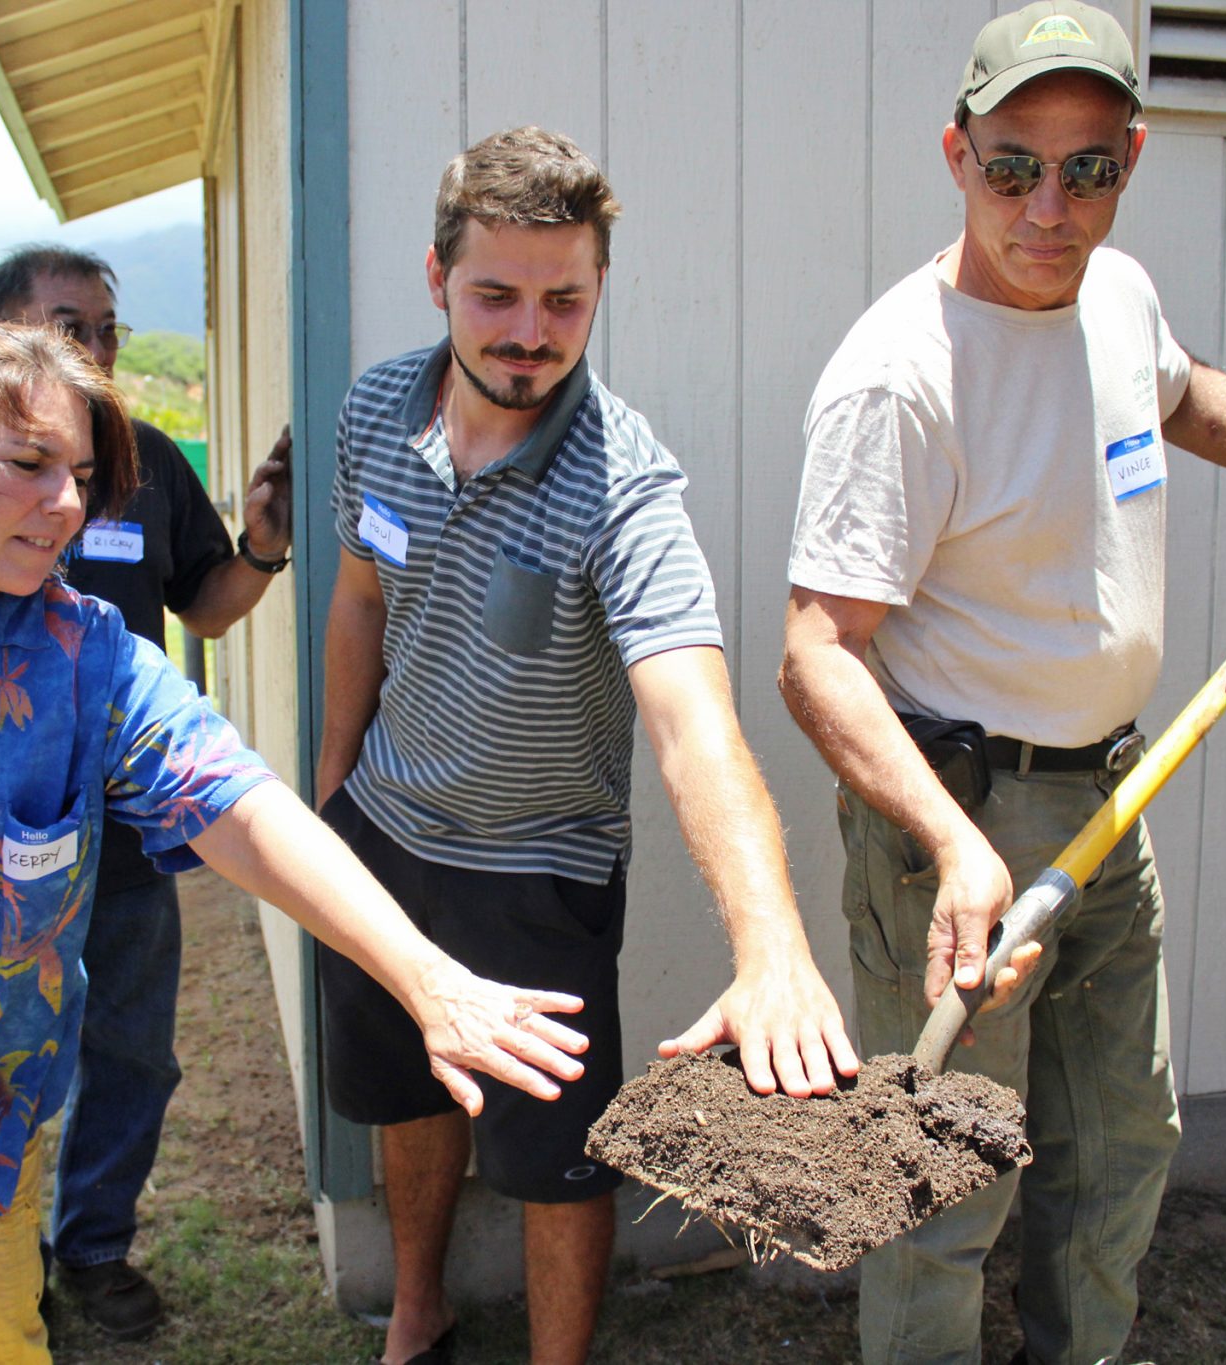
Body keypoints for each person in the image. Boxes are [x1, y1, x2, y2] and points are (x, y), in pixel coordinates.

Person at [0, 322, 590, 1363]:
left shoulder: (80, 653)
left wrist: (427, 980)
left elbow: (235, 801)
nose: (65, 504)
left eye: (74, 474)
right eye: (25, 465)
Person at [776, 6, 1226, 1362]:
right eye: (1013, 167)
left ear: (1131, 159)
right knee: (943, 1184)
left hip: (1118, 792)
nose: (1049, 208)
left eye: (1087, 168)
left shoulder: (1116, 293)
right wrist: (951, 848)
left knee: (1122, 1147)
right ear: (957, 155)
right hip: (963, 822)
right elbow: (816, 656)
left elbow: (1177, 393)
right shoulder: (901, 379)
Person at [316, 125, 857, 1365]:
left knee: (557, 1162)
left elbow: (691, 718)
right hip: (381, 837)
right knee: (406, 1089)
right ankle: (415, 1311)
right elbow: (356, 595)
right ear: (436, 276)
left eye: (563, 299)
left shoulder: (622, 486)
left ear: (598, 289)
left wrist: (769, 945)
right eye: (494, 294)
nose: (527, 332)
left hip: (534, 874)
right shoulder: (373, 409)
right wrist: (334, 779)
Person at [0, 243, 293, 1340]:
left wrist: (261, 543)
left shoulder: (149, 463)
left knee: (132, 1048)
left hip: (118, 824)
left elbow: (204, 607)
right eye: (71, 324)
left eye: (107, 327)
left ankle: (94, 1248)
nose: (99, 347)